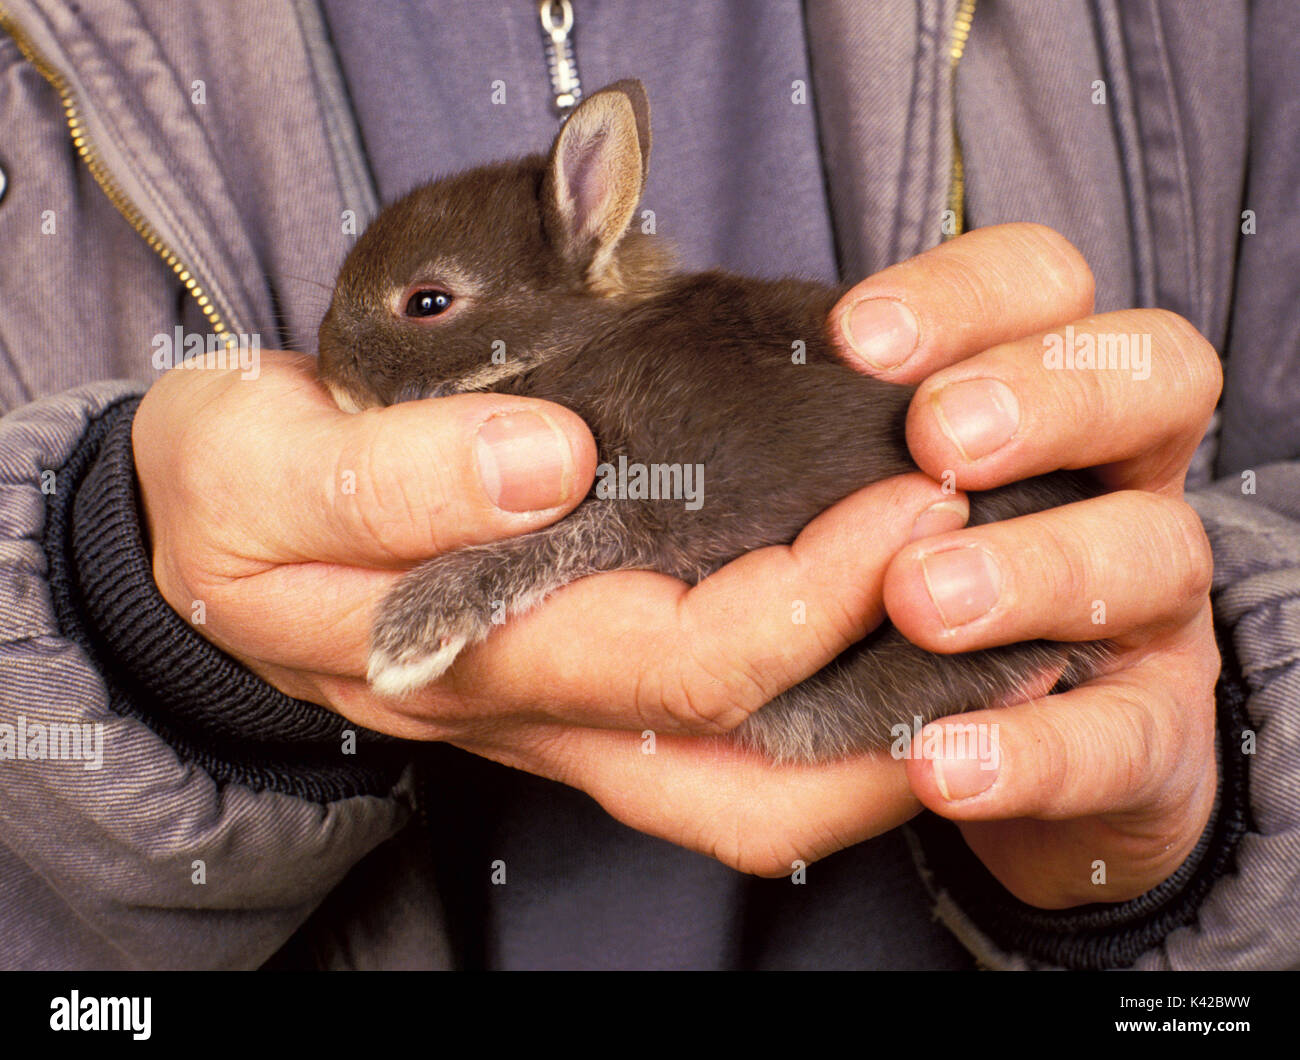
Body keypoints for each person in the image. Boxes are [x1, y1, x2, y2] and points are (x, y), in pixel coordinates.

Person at [0, 0, 1295, 970]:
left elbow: (638, 510)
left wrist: (1200, 807)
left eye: (429, 308)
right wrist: (132, 602)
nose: (340, 357)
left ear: (588, 234)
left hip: (946, 689)